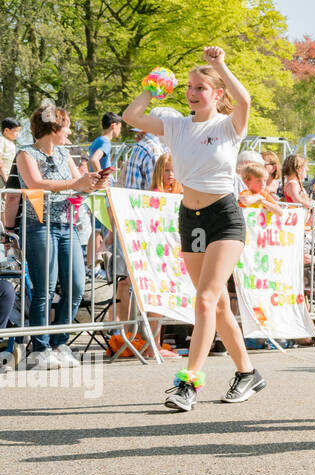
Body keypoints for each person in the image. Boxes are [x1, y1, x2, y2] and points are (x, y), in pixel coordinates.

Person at [122, 47, 264, 411]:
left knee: (204, 299)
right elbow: (131, 115)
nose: (191, 92)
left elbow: (245, 98)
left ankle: (189, 383)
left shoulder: (229, 124)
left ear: (217, 94)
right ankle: (247, 373)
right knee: (216, 305)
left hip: (224, 217)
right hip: (190, 217)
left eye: (200, 87)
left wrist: (220, 65)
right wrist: (154, 88)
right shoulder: (175, 125)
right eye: (188, 86)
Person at [13, 105, 113, 369]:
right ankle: (41, 347)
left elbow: (78, 186)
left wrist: (94, 183)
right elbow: (35, 183)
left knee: (77, 286)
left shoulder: (64, 153)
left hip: (68, 226)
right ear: (54, 128)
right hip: (38, 225)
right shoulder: (26, 153)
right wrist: (76, 183)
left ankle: (60, 343)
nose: (70, 130)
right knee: (45, 289)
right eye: (67, 125)